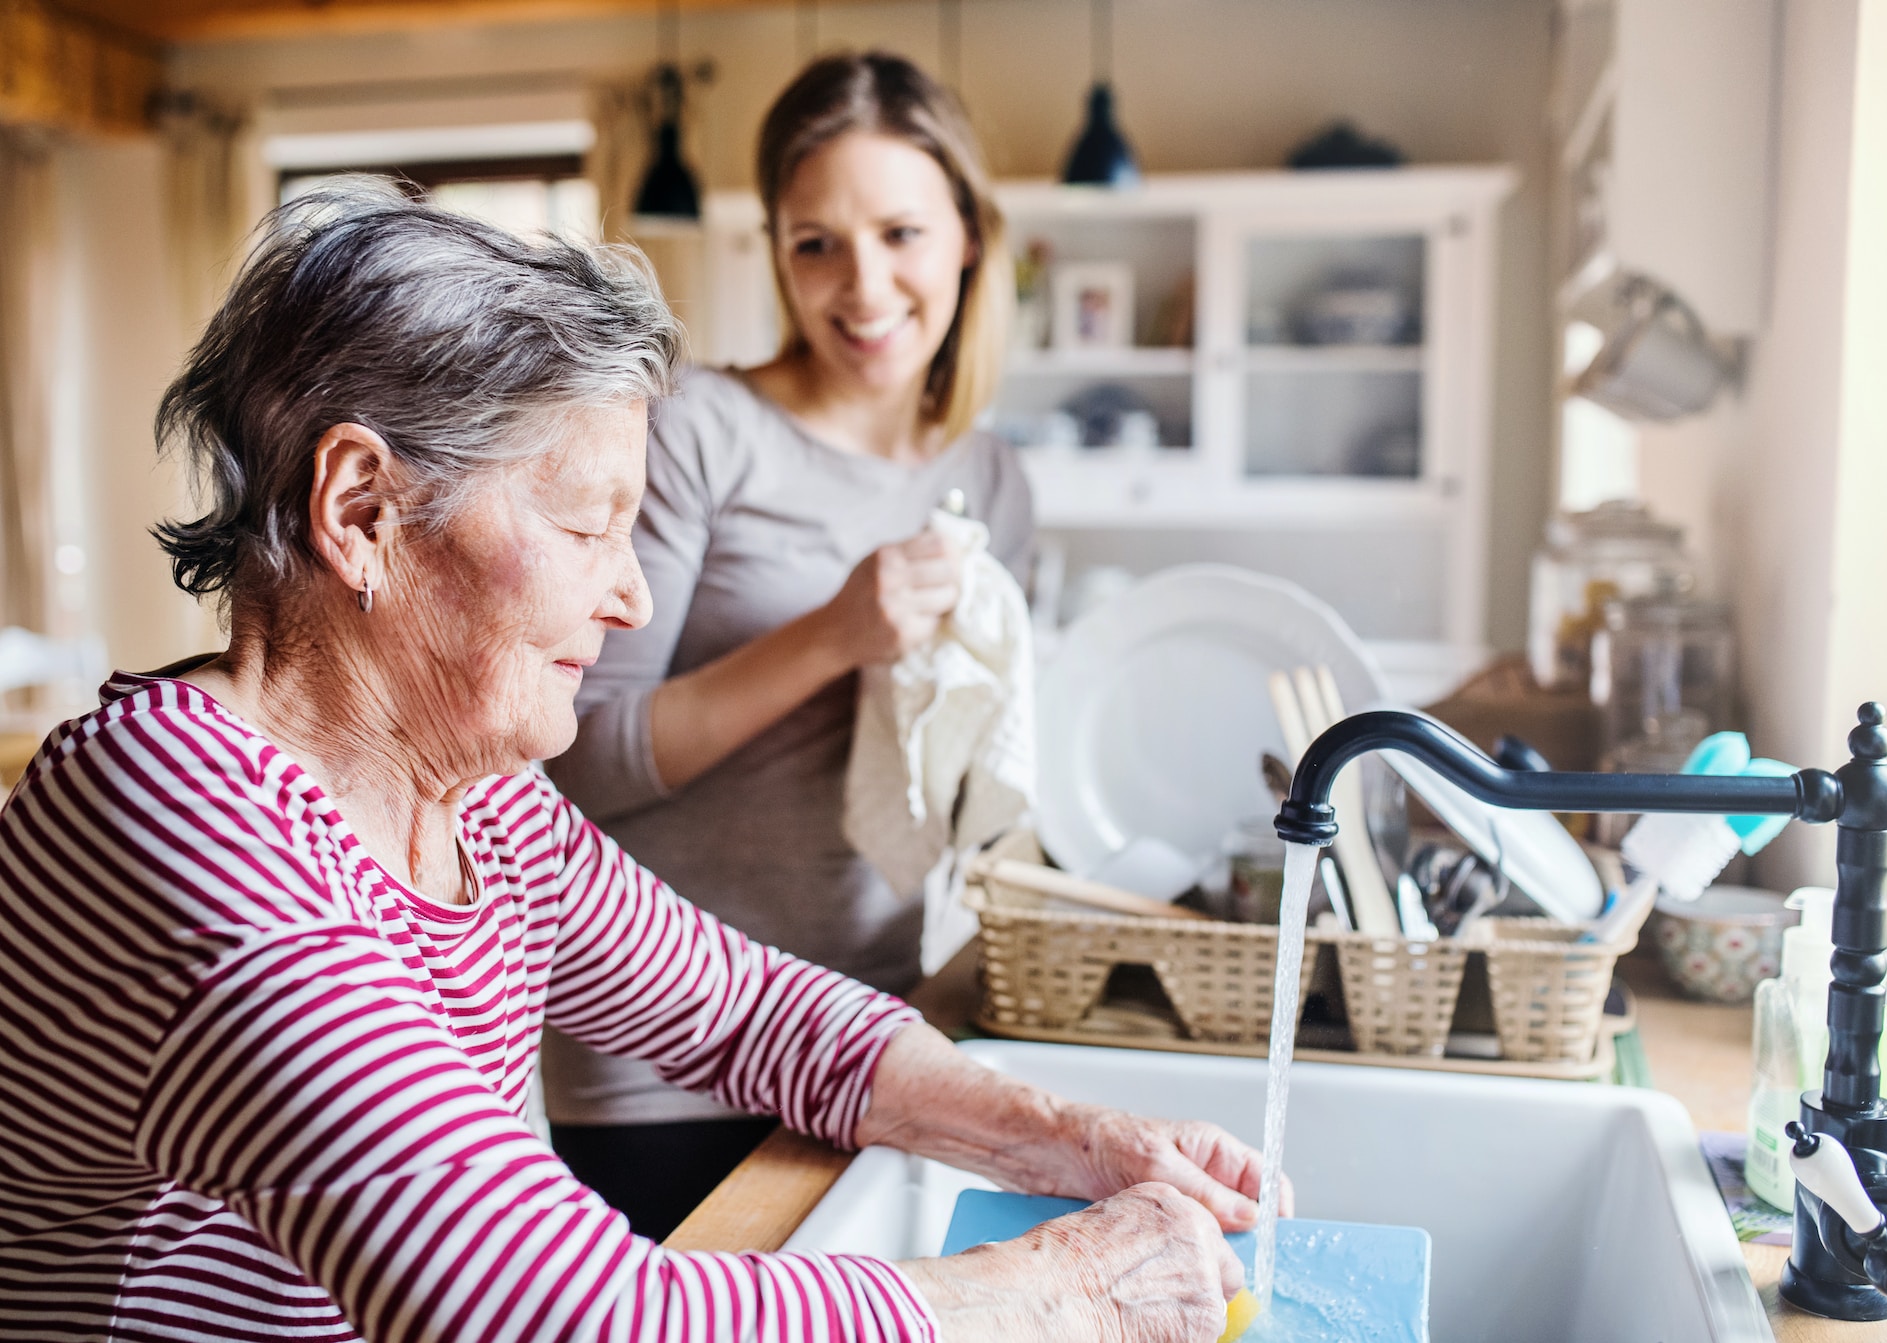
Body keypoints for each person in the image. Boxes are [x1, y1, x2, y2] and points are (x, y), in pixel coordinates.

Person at [0, 183, 1280, 1343]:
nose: (630, 595)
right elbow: (567, 1316)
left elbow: (753, 1015)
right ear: (363, 512)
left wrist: (1075, 1139)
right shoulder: (176, 812)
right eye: (585, 525)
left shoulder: (484, 801)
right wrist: (1059, 1293)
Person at [544, 50, 1031, 1237]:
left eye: (902, 233)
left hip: (877, 1032)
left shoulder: (991, 476)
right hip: (662, 1057)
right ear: (776, 253)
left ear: (969, 237)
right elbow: (574, 759)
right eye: (817, 243)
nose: (863, 286)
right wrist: (830, 636)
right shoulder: (697, 430)